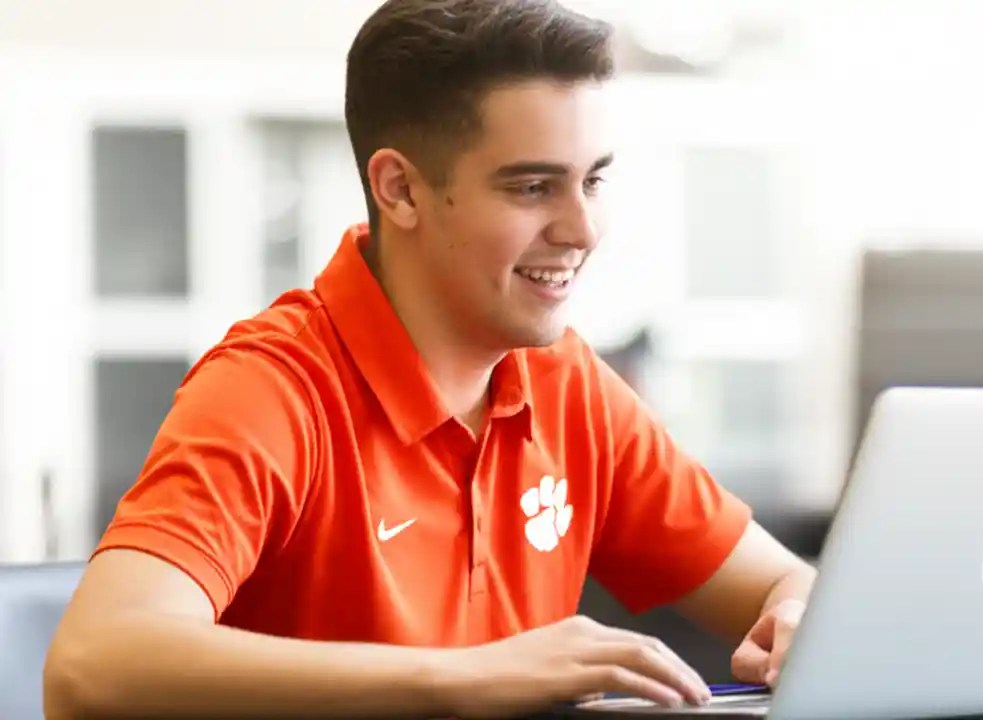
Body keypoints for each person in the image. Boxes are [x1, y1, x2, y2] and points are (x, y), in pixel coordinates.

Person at [43, 1, 816, 717]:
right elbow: (89, 663)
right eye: (533, 187)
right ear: (400, 190)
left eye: (594, 180)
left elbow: (786, 583)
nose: (583, 229)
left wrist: (796, 612)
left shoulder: (566, 383)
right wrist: (467, 675)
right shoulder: (271, 389)